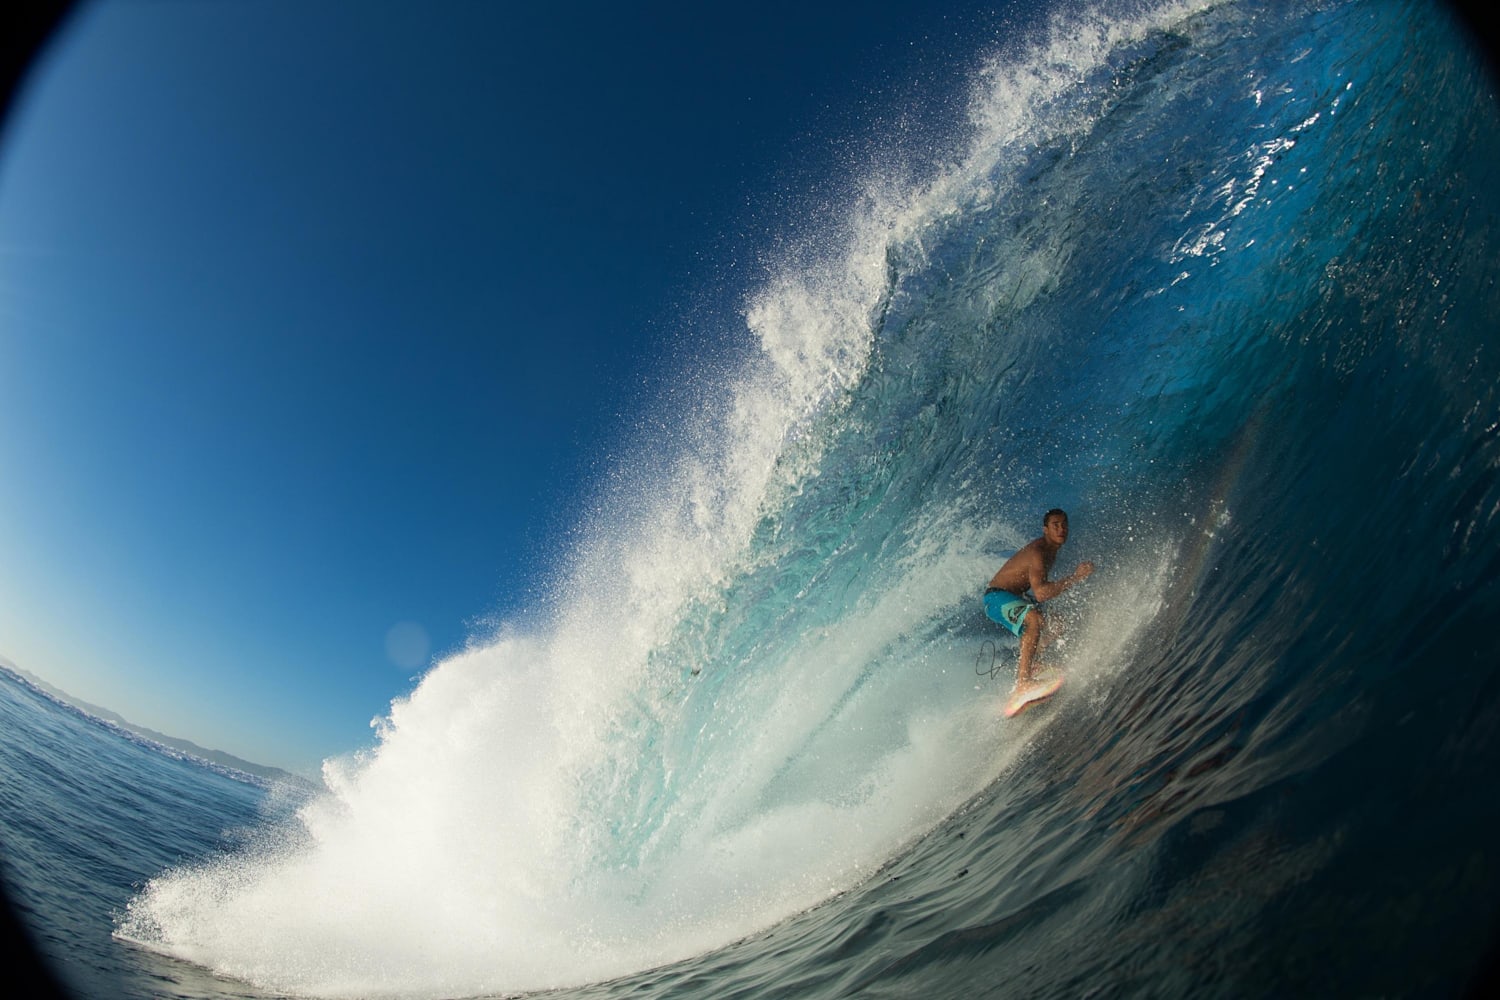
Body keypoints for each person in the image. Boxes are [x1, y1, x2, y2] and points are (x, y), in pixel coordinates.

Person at [984, 508, 1095, 704]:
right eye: (1055, 525)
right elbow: (1041, 593)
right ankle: (1023, 683)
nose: (1061, 529)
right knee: (1034, 619)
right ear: (1045, 529)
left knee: (1057, 623)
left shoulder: (1051, 550)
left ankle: (1033, 664)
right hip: (996, 598)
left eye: (1064, 525)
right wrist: (1076, 578)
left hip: (1015, 596)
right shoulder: (1038, 552)